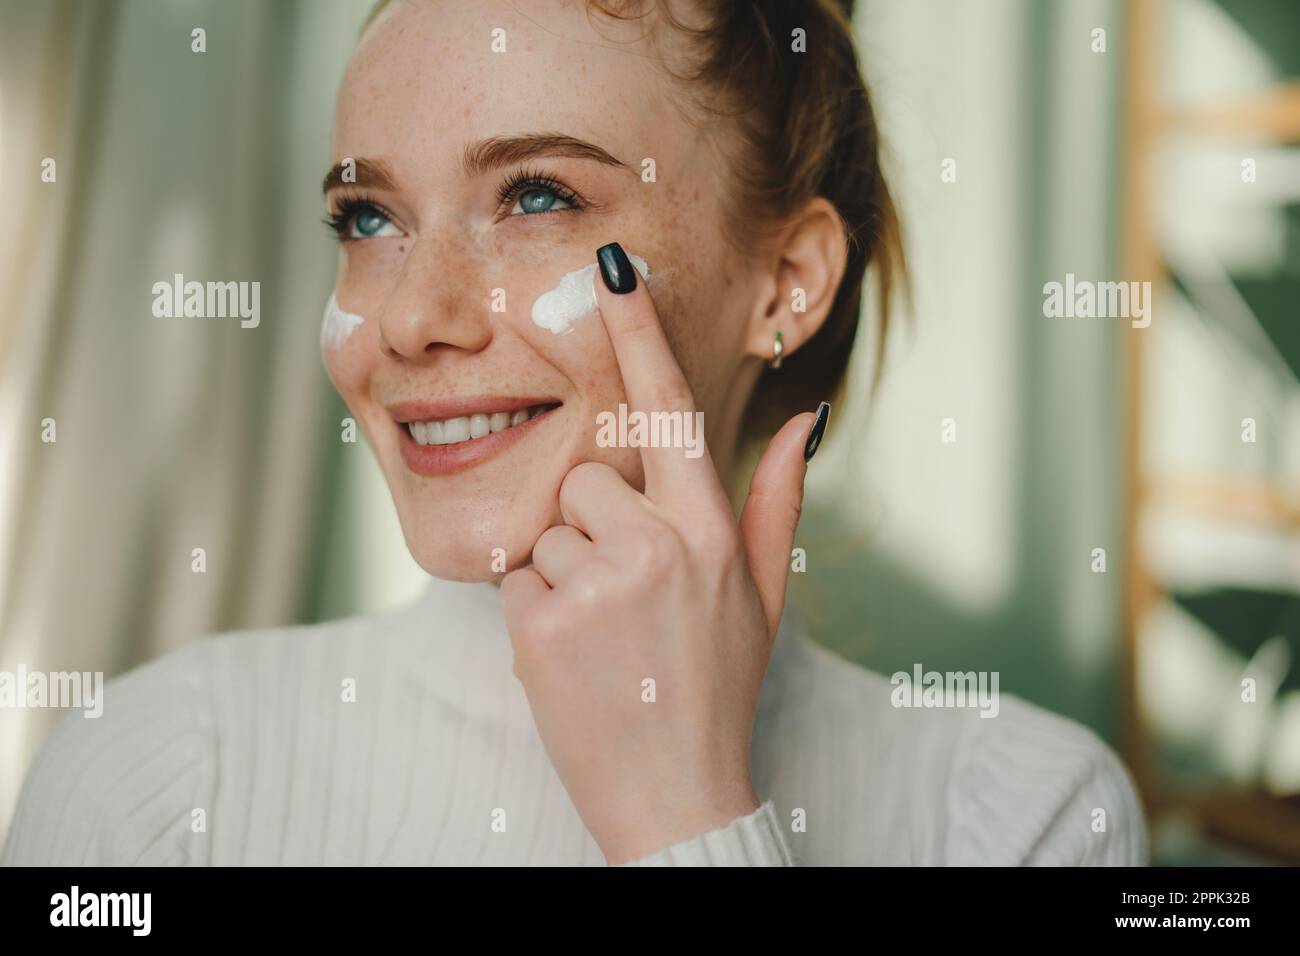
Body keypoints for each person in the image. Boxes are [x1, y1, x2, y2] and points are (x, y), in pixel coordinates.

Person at [1, 0, 1146, 866]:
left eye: (538, 196)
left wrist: (685, 817)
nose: (408, 317)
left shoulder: (1022, 816)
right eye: (368, 218)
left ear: (787, 280)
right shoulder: (153, 781)